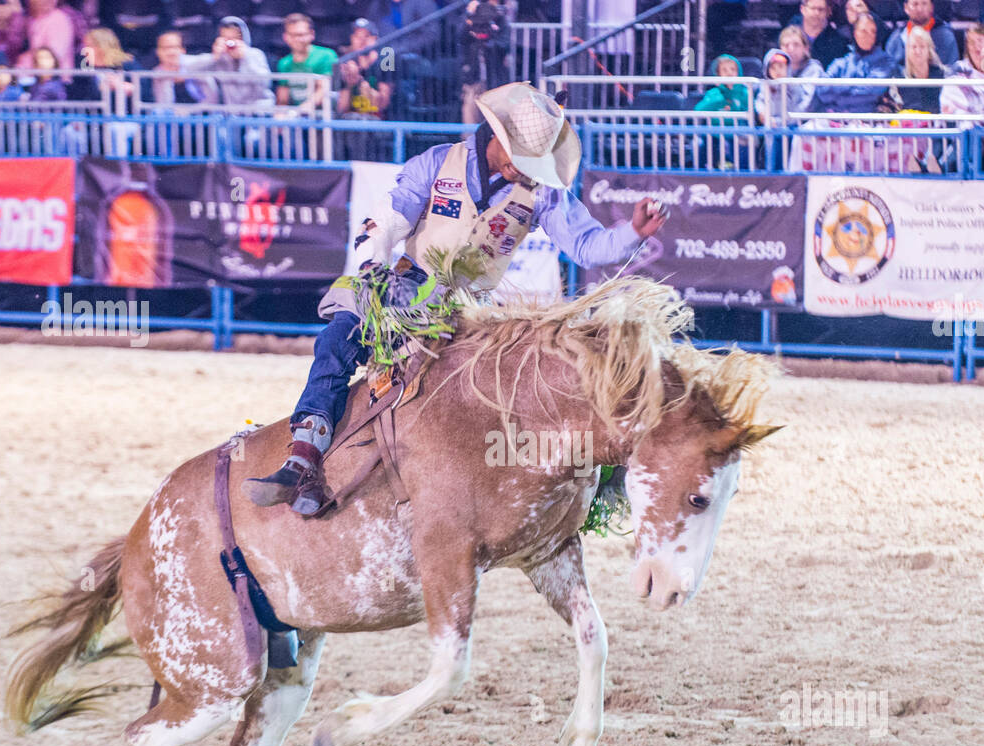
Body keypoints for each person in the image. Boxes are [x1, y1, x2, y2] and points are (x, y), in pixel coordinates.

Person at [243, 83, 669, 515]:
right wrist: (376, 256)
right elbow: (395, 216)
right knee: (337, 340)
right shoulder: (436, 163)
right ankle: (304, 457)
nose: (530, 170)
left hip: (474, 315)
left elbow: (586, 247)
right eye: (525, 159)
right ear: (498, 141)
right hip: (406, 292)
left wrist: (632, 231)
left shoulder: (544, 194)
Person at [811, 12, 897, 115]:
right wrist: (852, 86)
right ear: (855, 33)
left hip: (869, 121)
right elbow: (822, 91)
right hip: (836, 121)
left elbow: (871, 93)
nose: (868, 35)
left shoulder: (886, 62)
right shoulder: (841, 62)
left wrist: (839, 95)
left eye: (873, 31)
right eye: (863, 31)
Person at [335, 17, 393, 158]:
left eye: (366, 36)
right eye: (357, 36)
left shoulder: (387, 58)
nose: (361, 40)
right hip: (350, 118)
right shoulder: (345, 61)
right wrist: (349, 85)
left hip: (377, 118)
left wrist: (361, 83)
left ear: (375, 39)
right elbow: (342, 107)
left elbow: (382, 104)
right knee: (348, 121)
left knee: (360, 122)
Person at [275, 12, 337, 110]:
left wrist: (301, 110)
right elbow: (282, 99)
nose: (297, 39)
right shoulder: (284, 63)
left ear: (312, 34)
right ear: (285, 37)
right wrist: (280, 115)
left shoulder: (326, 55)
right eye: (292, 35)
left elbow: (323, 89)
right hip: (295, 118)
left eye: (301, 34)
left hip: (321, 116)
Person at [461, 0, 508, 123]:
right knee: (470, 121)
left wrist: (490, 38)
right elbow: (461, 38)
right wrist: (469, 16)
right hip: (473, 79)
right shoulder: (471, 19)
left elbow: (504, 45)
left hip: (495, 80)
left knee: (495, 122)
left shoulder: (500, 19)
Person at [142, 29, 211, 105]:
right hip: (172, 114)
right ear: (158, 51)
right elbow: (162, 104)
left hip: (202, 112)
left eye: (175, 47)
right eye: (166, 48)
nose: (171, 52)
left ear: (183, 50)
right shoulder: (156, 73)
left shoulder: (193, 63)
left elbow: (212, 58)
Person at [884, 0, 960, 68]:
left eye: (924, 3)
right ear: (906, 7)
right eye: (915, 4)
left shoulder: (946, 37)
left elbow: (951, 72)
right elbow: (890, 72)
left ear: (931, 7)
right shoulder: (896, 39)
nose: (920, 9)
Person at [891, 24, 946, 112]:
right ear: (907, 51)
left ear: (929, 50)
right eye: (914, 47)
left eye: (922, 46)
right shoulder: (899, 79)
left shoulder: (943, 75)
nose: (918, 51)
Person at [15, 0, 74, 72]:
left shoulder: (58, 19)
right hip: (34, 74)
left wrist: (24, 63)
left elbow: (53, 55)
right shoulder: (33, 20)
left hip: (55, 77)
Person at [780, 24, 824, 117]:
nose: (791, 49)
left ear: (806, 48)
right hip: (781, 122)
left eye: (796, 45)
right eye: (786, 45)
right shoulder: (776, 68)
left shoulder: (814, 69)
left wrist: (783, 121)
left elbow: (806, 106)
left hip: (809, 123)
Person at [791, 0, 849, 69]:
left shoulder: (839, 42)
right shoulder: (789, 33)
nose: (816, 13)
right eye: (812, 8)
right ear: (802, 9)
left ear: (829, 11)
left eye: (821, 9)